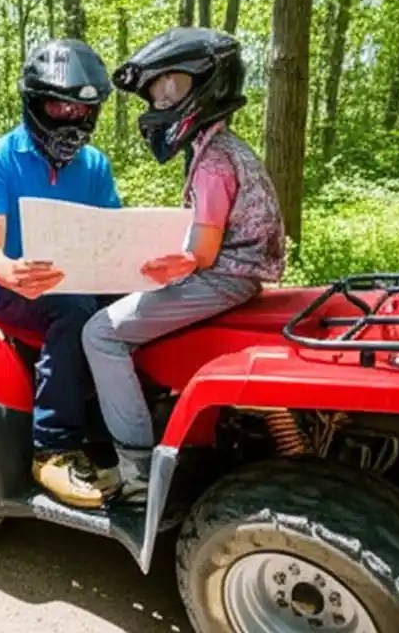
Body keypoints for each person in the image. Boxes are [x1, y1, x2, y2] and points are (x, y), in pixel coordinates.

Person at [82, 28, 287, 504]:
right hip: (239, 272)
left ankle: (135, 469)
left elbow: (205, 253)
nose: (159, 100)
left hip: (224, 277)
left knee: (100, 332)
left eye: (167, 86)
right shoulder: (220, 147)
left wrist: (174, 261)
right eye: (155, 91)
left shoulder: (213, 161)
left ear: (202, 84)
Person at [0, 39, 123, 508]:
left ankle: (124, 431)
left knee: (134, 309)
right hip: (11, 288)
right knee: (74, 310)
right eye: (60, 106)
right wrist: (13, 272)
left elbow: (113, 235)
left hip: (77, 281)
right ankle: (52, 449)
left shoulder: (95, 165)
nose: (71, 118)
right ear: (35, 103)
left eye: (82, 110)